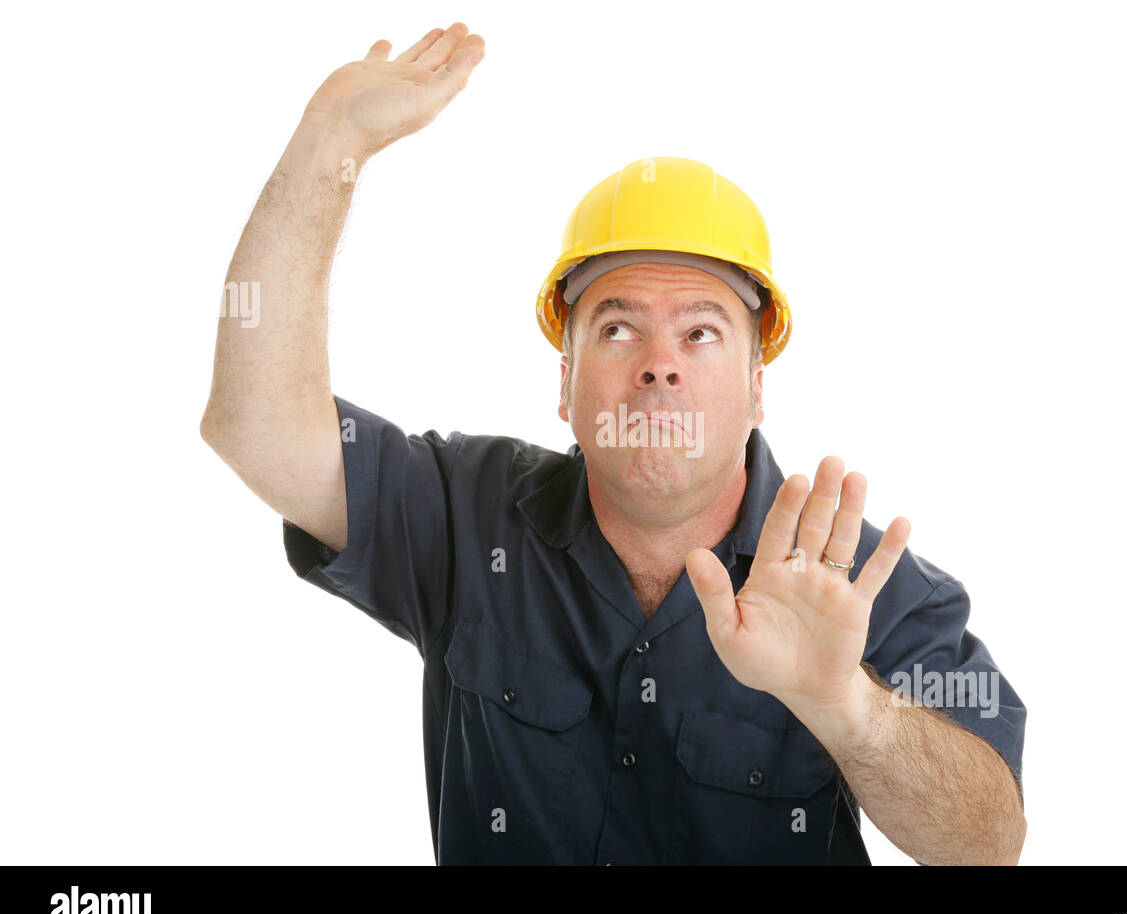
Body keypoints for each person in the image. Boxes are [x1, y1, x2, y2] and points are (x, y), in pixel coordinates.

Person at [201, 22, 1027, 865]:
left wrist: (848, 706)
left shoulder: (857, 583)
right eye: (619, 328)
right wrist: (327, 146)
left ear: (757, 386)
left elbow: (989, 843)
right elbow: (258, 428)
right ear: (565, 383)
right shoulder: (464, 513)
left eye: (701, 334)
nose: (660, 367)